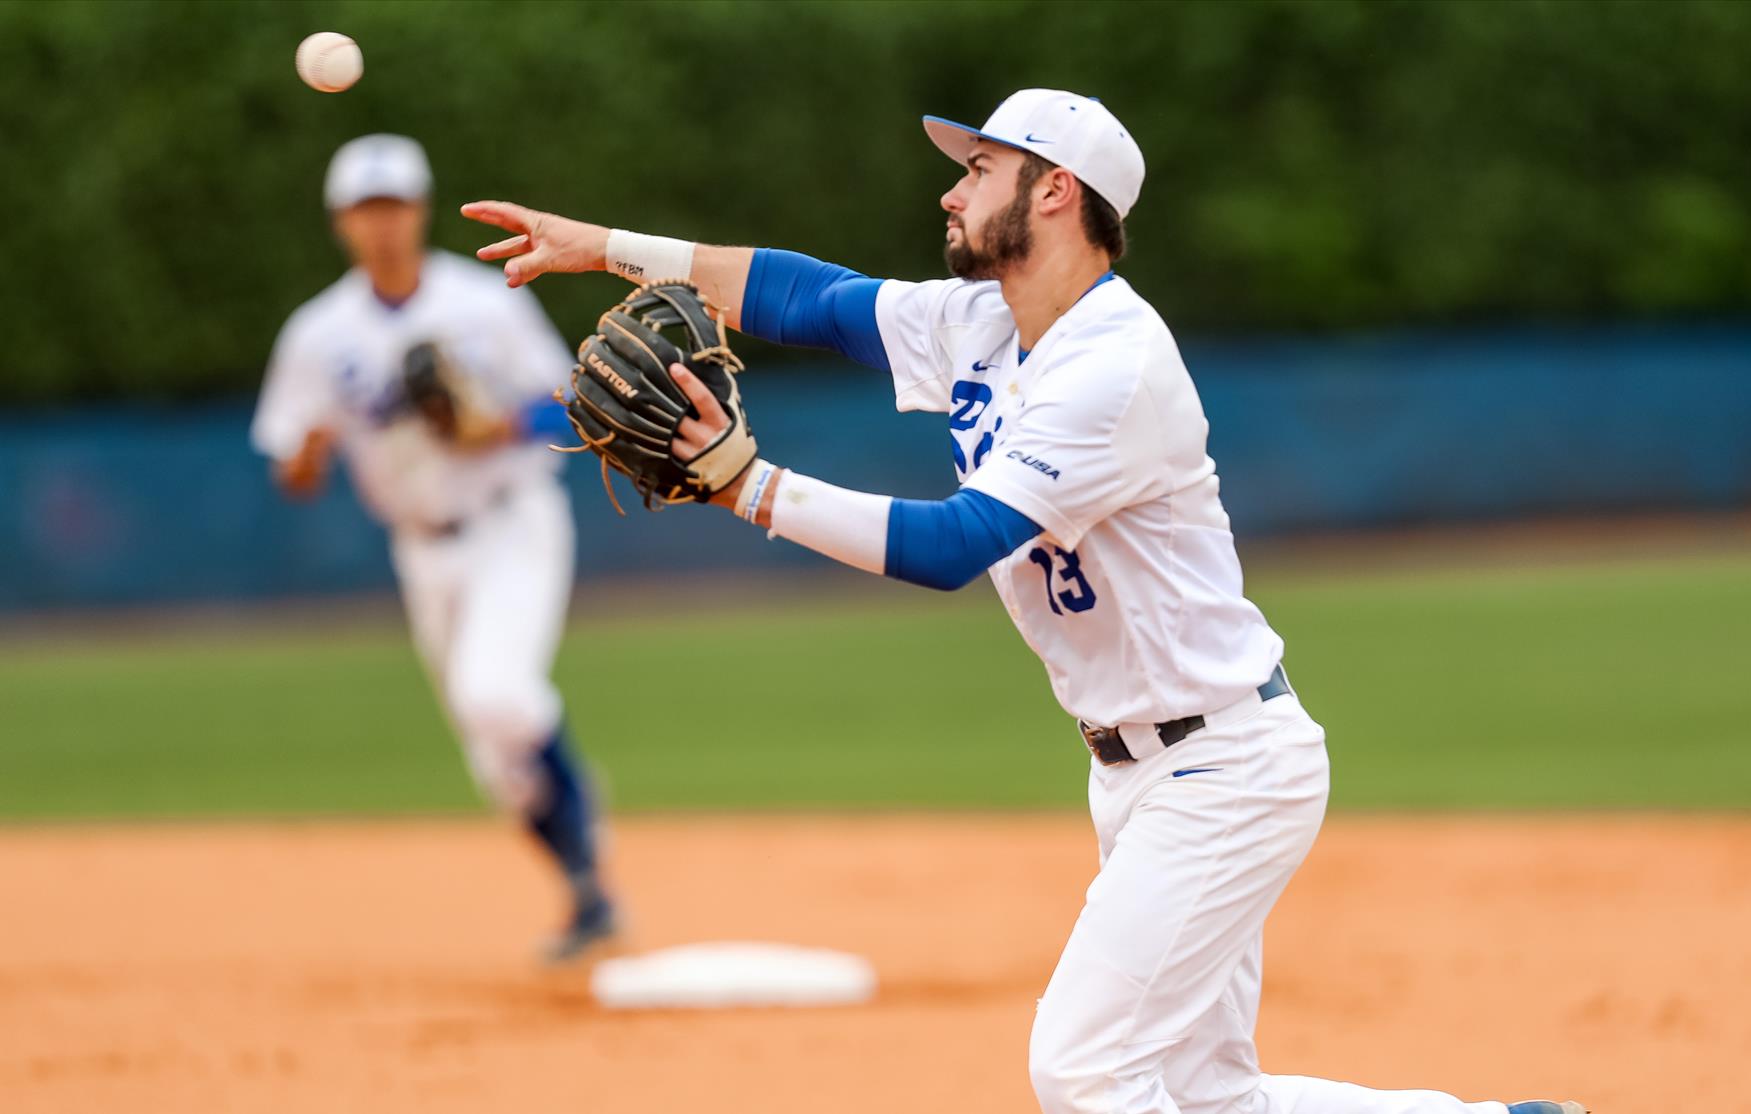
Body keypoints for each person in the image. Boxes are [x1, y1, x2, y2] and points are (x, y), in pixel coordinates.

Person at [463, 90, 1584, 1113]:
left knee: (1083, 1068)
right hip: (1143, 769)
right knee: (1202, 1095)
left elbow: (955, 546)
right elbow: (810, 296)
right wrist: (605, 248)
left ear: (1054, 190)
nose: (951, 188)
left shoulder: (1111, 367)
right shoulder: (986, 319)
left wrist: (749, 485)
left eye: (980, 166)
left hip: (1224, 768)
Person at [254, 134, 618, 965]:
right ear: (341, 223)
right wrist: (308, 454)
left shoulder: (482, 302)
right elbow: (291, 471)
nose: (382, 224)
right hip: (422, 553)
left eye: (395, 205)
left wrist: (502, 425)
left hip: (512, 521)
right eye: (364, 209)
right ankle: (589, 892)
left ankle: (584, 827)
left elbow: (580, 408)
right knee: (499, 767)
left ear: (418, 211)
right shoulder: (318, 335)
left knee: (497, 697)